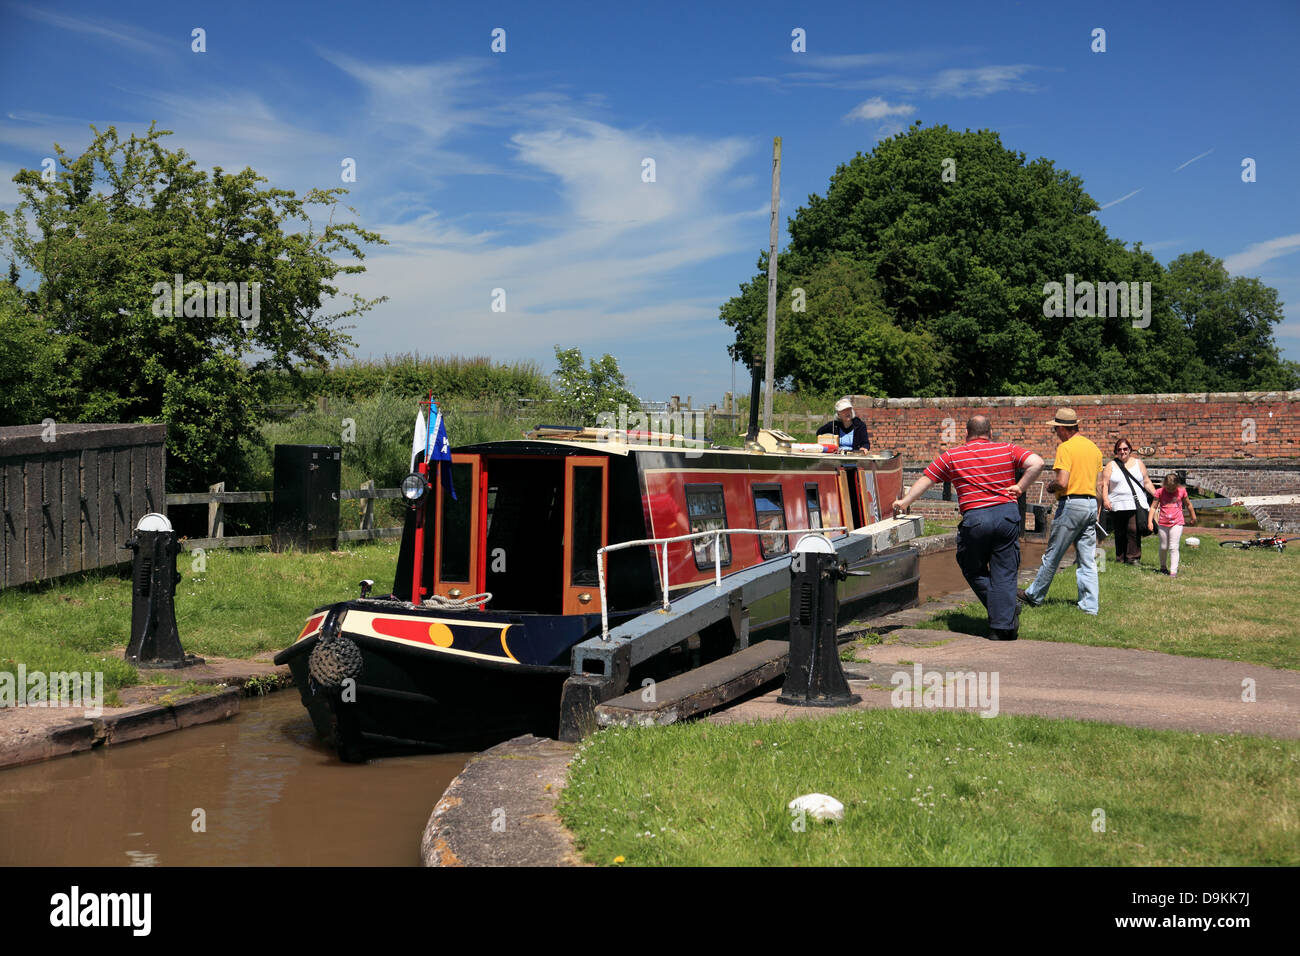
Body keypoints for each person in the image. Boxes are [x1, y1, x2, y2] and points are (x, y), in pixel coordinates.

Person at [893, 415, 1044, 640]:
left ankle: (1004, 615)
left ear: (966, 435)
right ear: (990, 434)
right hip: (1007, 517)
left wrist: (904, 502)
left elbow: (927, 479)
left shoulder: (952, 455)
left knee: (971, 566)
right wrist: (1020, 487)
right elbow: (1038, 463)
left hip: (976, 519)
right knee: (1004, 571)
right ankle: (1003, 625)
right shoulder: (1007, 449)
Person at [1018, 407, 1104, 615]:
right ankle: (1090, 606)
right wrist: (1097, 511)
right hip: (1091, 504)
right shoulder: (1094, 448)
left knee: (1053, 554)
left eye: (1056, 429)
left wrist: (1050, 486)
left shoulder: (1066, 448)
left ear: (1064, 429)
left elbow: (1062, 482)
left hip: (1072, 504)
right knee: (1087, 558)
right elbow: (1099, 486)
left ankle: (1034, 595)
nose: (1055, 432)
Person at [1100, 439, 1159, 565]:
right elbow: (1104, 484)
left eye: (1125, 449)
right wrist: (1105, 499)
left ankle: (1133, 558)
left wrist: (1157, 495)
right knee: (1120, 532)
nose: (1122, 452)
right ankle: (1120, 558)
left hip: (1135, 503)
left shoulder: (1138, 463)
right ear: (1116, 451)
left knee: (1133, 530)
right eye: (1119, 449)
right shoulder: (1111, 465)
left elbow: (1146, 481)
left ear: (1130, 450)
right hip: (1116, 503)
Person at [1149, 473, 1197, 577]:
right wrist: (1150, 521)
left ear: (1178, 486)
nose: (1170, 490)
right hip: (1163, 523)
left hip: (1177, 522)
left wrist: (1193, 517)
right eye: (1168, 488)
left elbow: (1189, 504)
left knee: (1173, 547)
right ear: (1164, 485)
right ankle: (1163, 567)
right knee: (1163, 546)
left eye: (1173, 488)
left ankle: (1173, 571)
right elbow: (1153, 507)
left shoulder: (1182, 492)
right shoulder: (1160, 492)